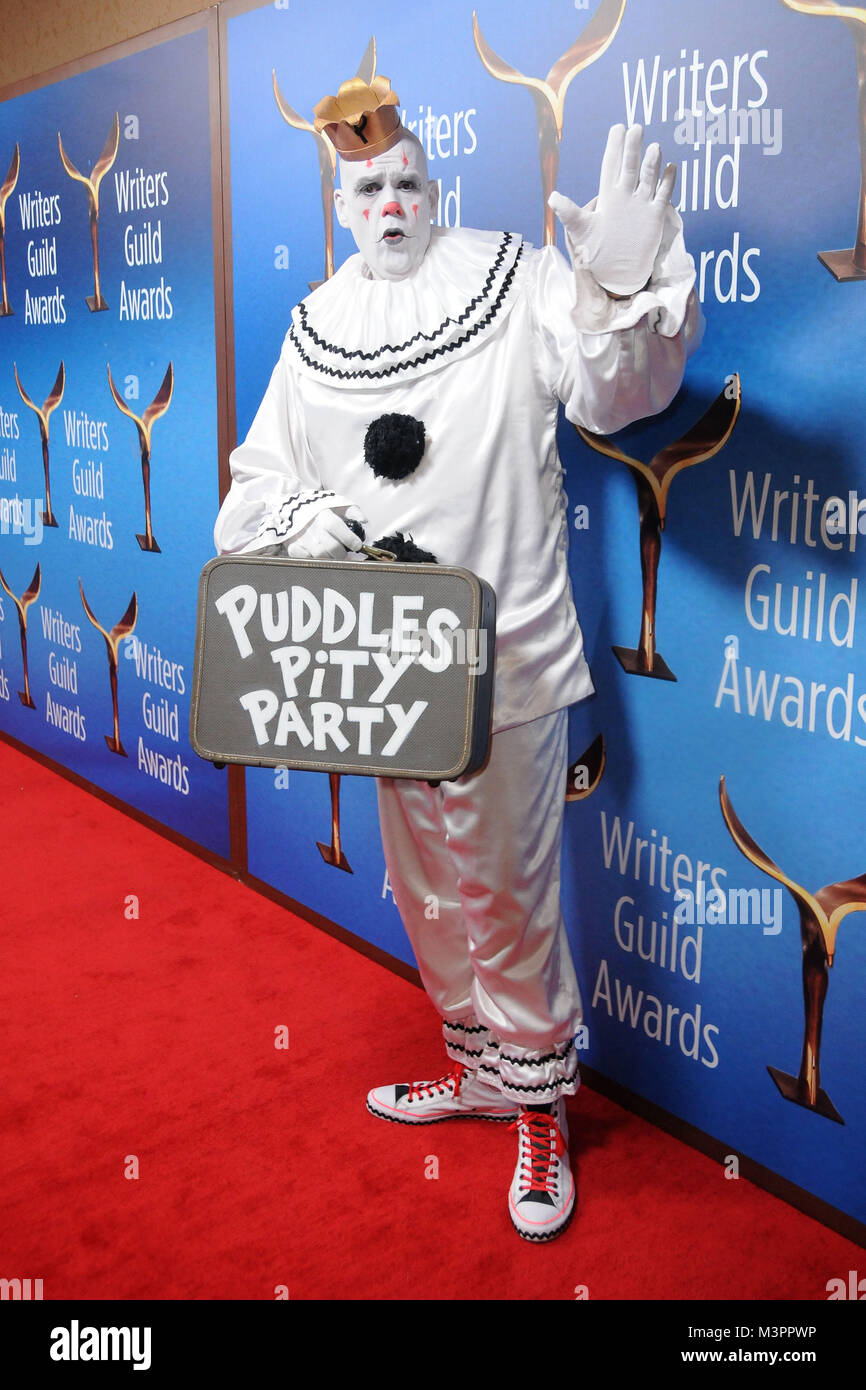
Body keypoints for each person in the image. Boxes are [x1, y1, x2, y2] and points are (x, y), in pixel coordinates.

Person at [214, 76, 703, 1241]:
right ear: (340, 204)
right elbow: (251, 496)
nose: (388, 203)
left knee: (510, 896)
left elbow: (611, 396)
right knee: (430, 895)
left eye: (405, 182)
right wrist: (306, 525)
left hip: (510, 664)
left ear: (434, 187)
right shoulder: (314, 324)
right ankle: (480, 1072)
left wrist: (618, 288)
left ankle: (539, 1103)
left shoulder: (511, 280)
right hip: (381, 673)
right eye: (366, 187)